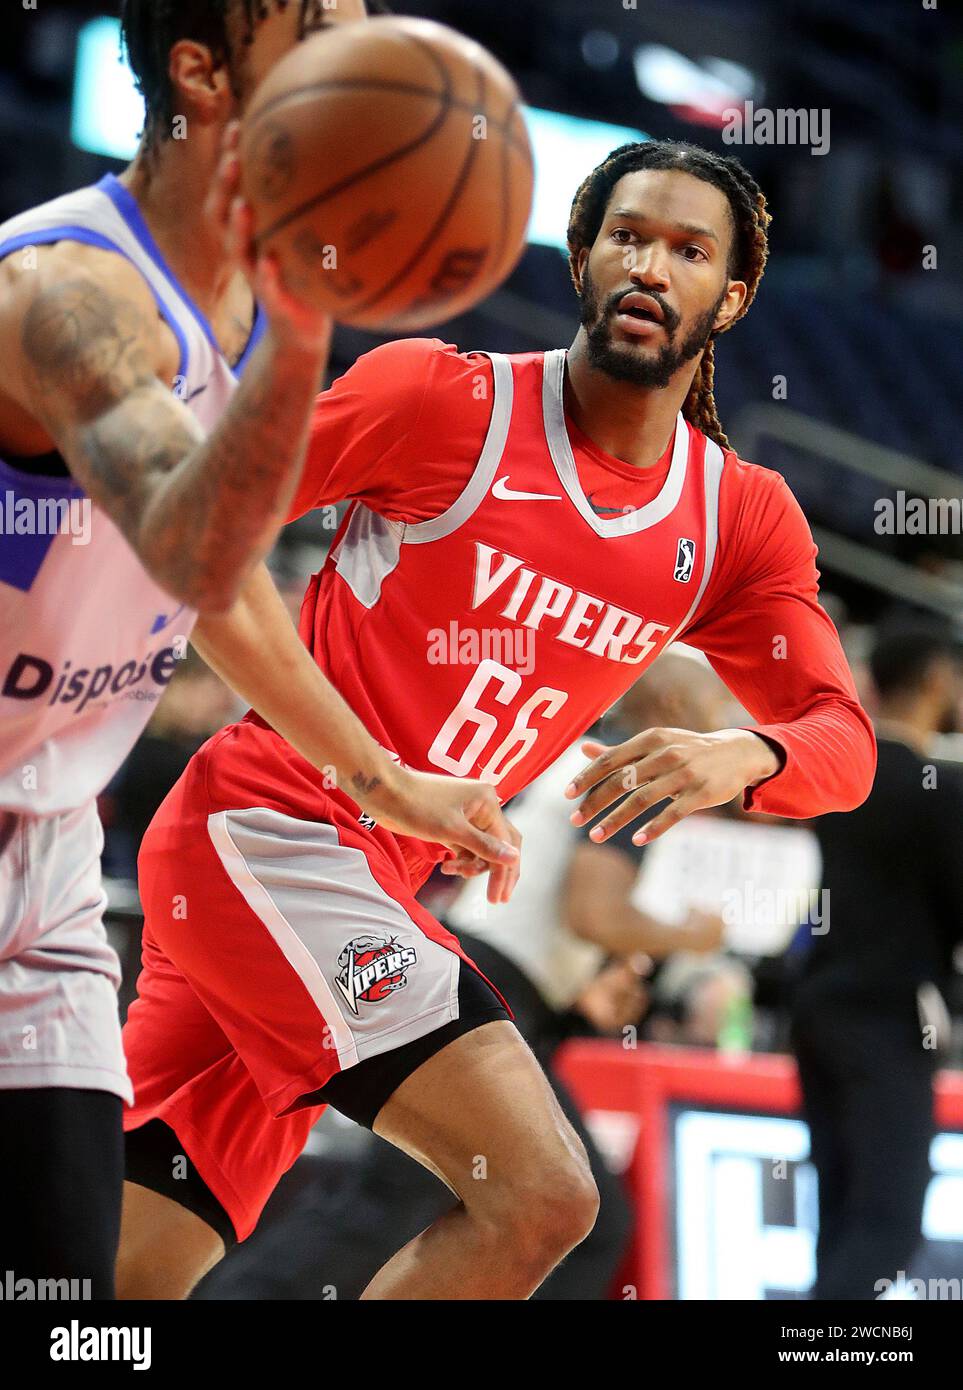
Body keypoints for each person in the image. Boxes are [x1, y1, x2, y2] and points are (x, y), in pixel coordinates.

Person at [117, 138, 877, 1301]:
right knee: (545, 1194)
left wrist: (748, 751)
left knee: (111, 1279)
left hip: (341, 882)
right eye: (628, 236)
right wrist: (377, 777)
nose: (649, 267)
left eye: (687, 250)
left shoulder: (739, 518)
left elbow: (846, 746)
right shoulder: (440, 399)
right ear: (582, 255)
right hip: (268, 831)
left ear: (730, 297)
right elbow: (193, 530)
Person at [0, 0, 517, 1301]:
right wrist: (304, 321)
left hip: (46, 848)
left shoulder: (237, 293)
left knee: (73, 1298)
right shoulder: (65, 291)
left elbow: (228, 600)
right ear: (202, 70)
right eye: (326, 30)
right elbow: (192, 548)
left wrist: (379, 776)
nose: (370, 57)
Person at [791, 619, 963, 1300]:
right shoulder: (941, 791)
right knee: (887, 1228)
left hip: (814, 1007)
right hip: (888, 1017)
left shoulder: (837, 777)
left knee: (838, 1219)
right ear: (933, 679)